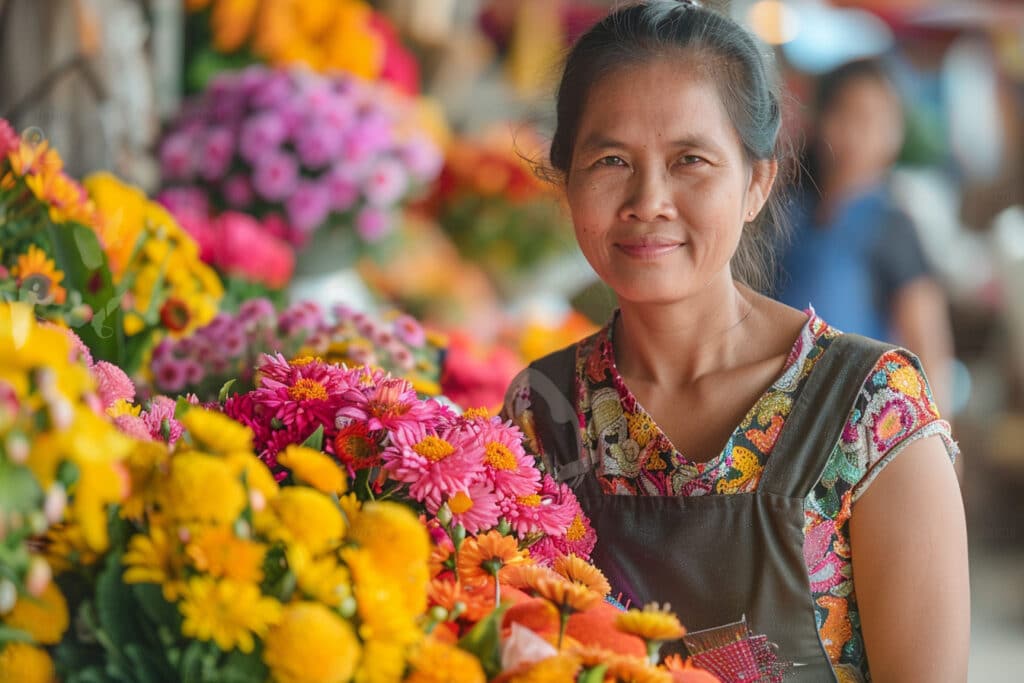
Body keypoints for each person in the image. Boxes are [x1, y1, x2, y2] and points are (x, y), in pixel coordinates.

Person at [502, 2, 969, 681]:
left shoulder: (873, 413)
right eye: (610, 159)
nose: (649, 200)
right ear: (566, 180)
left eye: (690, 159)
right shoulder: (540, 413)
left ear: (756, 183)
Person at [777, 58, 954, 414]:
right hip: (772, 414)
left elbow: (928, 343)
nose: (858, 133)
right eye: (847, 115)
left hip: (857, 419)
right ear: (820, 120)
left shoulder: (893, 226)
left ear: (896, 133)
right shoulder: (784, 213)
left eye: (874, 121)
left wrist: (941, 433)